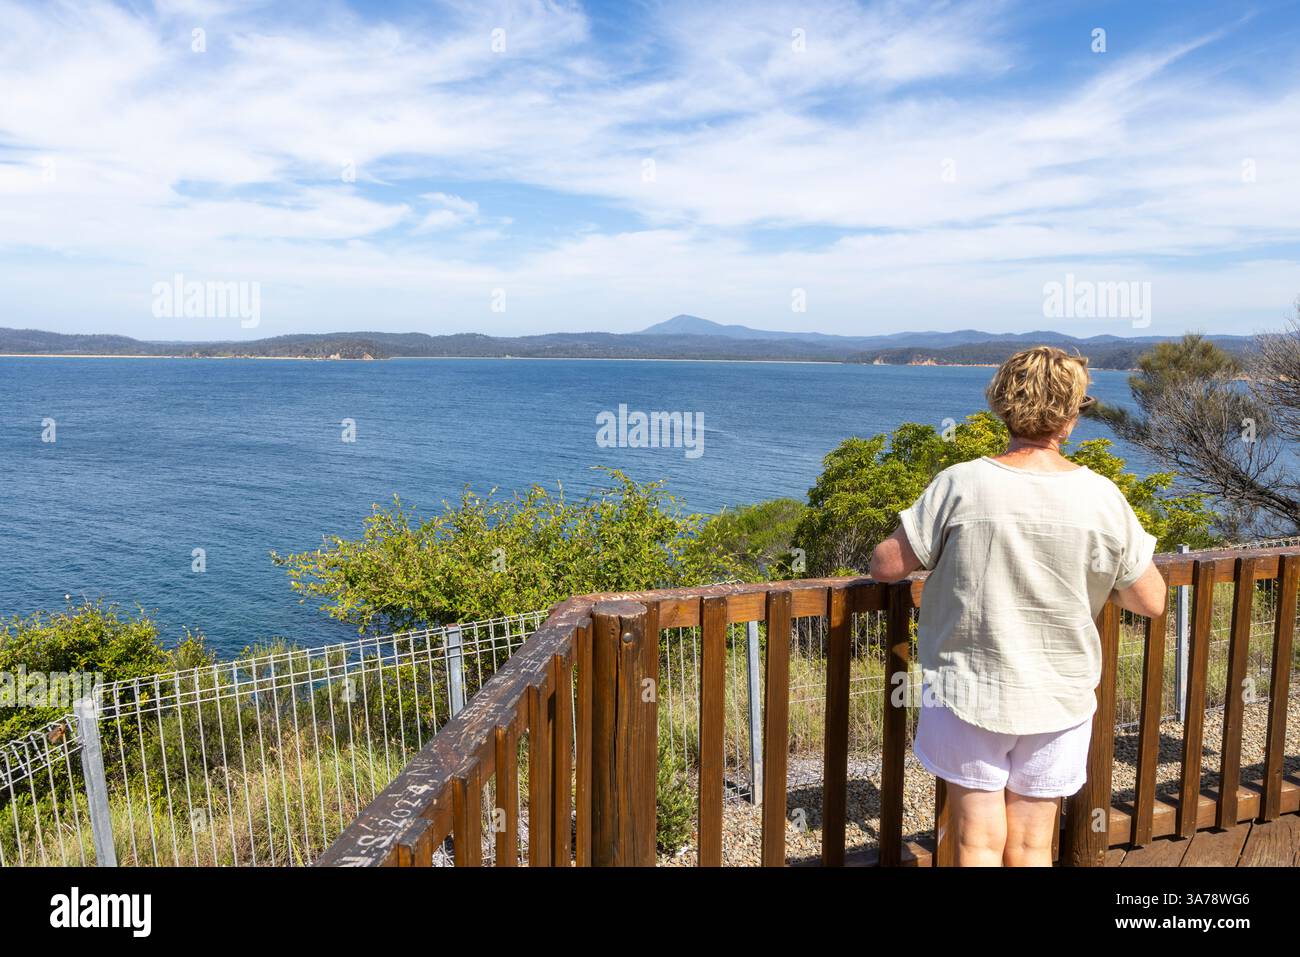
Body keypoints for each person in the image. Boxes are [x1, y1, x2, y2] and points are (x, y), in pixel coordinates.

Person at [868, 345, 1167, 866]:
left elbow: (887, 566)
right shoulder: (1102, 497)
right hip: (1060, 692)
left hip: (969, 686)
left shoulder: (961, 483)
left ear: (1002, 405)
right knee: (1032, 846)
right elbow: (1151, 600)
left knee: (975, 842)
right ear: (1071, 418)